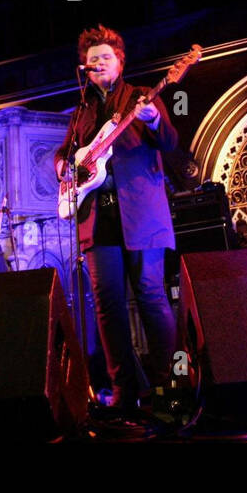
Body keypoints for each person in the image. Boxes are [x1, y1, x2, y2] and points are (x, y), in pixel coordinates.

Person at [54, 25, 178, 416]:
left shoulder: (141, 98)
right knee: (107, 305)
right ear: (84, 68)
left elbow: (171, 143)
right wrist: (61, 166)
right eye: (92, 61)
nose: (98, 64)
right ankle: (125, 390)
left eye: (105, 57)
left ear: (120, 61)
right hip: (97, 219)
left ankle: (169, 386)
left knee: (152, 296)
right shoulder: (81, 111)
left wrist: (154, 121)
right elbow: (65, 153)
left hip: (141, 215)